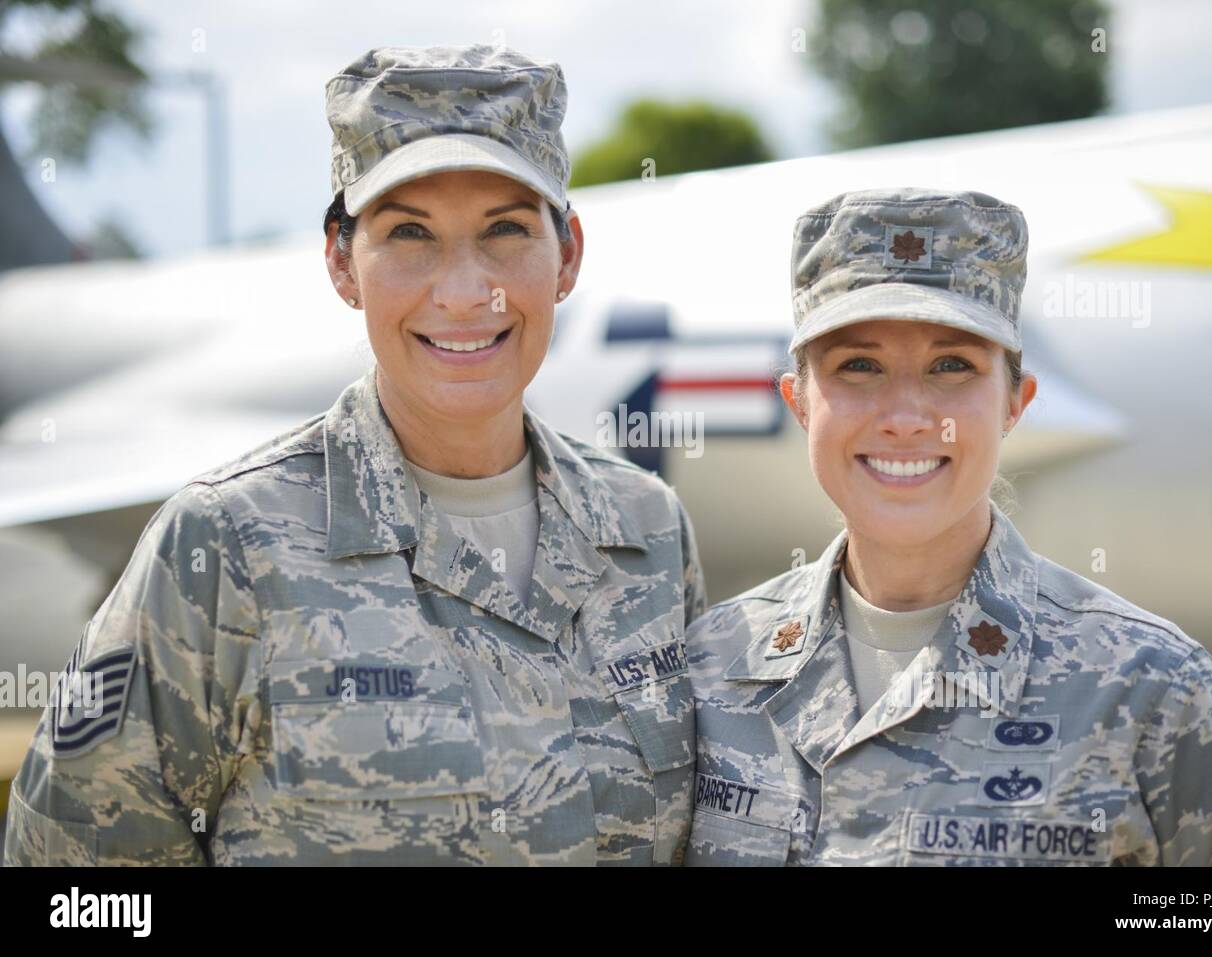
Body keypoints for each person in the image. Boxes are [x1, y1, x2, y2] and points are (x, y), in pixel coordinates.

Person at [5, 44, 706, 866]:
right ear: (341, 260)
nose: (462, 290)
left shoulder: (646, 534)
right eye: (409, 233)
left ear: (569, 254)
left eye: (506, 230)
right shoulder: (227, 544)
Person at [685, 187, 1212, 866]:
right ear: (799, 401)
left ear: (1016, 401)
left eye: (953, 365)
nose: (907, 415)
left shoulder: (1147, 687)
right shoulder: (713, 669)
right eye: (858, 365)